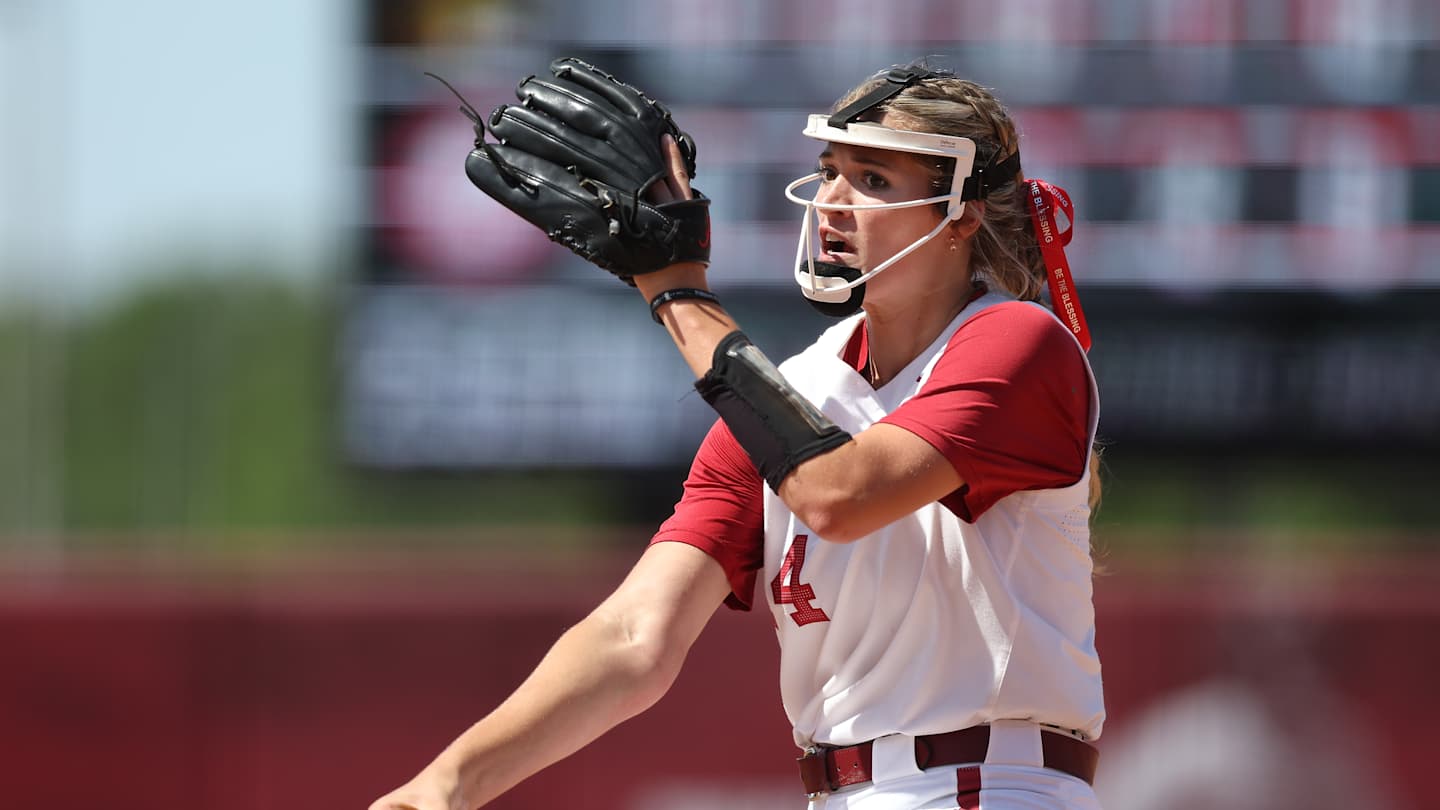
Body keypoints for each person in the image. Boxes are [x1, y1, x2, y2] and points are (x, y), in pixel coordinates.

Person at [371, 60, 1104, 810]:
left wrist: (677, 293)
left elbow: (838, 497)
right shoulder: (793, 393)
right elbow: (633, 638)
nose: (833, 202)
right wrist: (446, 785)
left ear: (964, 211)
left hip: (992, 787)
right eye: (829, 172)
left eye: (874, 179)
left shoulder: (1018, 343)